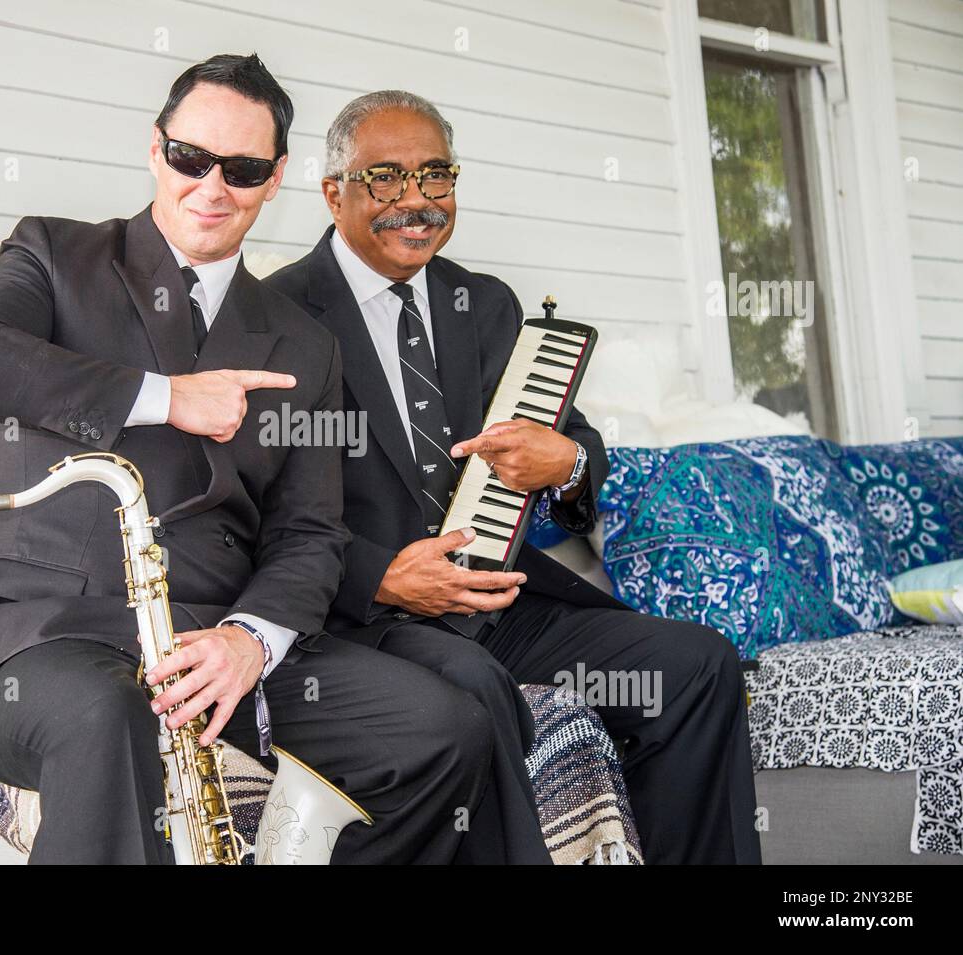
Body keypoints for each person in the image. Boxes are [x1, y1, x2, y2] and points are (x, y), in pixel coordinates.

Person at [0, 57, 538, 864]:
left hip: (217, 647)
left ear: (276, 180)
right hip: (49, 639)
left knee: (445, 728)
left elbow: (311, 534)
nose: (213, 187)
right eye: (191, 158)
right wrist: (165, 395)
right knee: (109, 714)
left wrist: (250, 639)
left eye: (242, 169)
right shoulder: (55, 254)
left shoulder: (305, 343)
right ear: (155, 149)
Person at [265, 89, 763, 864]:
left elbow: (575, 441)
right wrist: (383, 578)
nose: (417, 201)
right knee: (467, 687)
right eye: (386, 179)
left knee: (697, 665)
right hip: (365, 623)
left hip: (503, 603)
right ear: (334, 192)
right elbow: (255, 503)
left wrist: (565, 464)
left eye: (436, 175)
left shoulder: (484, 303)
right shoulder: (278, 314)